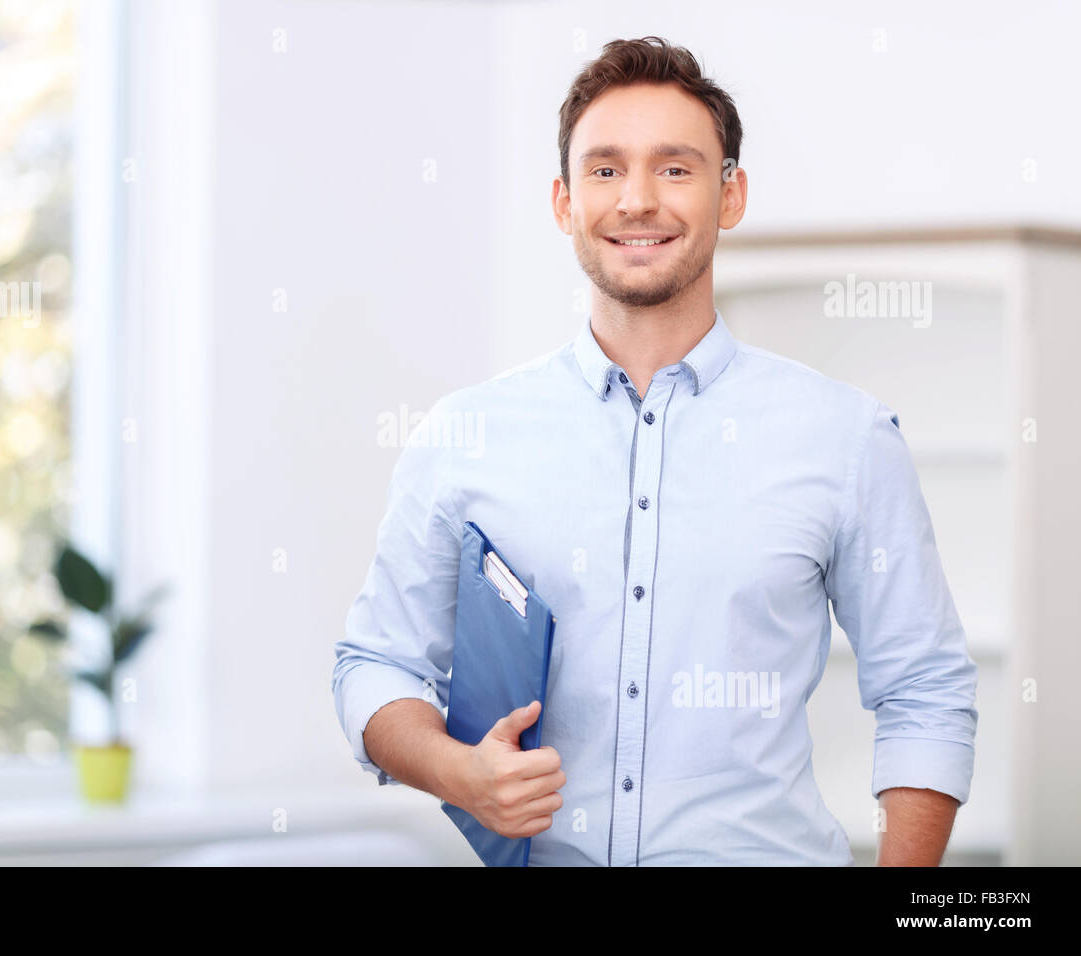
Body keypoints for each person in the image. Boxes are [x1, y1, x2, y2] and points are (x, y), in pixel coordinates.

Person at [331, 35, 977, 866]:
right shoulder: (464, 438)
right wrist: (460, 773)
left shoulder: (846, 439)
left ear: (730, 195)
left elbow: (925, 691)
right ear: (564, 203)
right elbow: (374, 664)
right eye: (605, 170)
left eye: (675, 168)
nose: (638, 200)